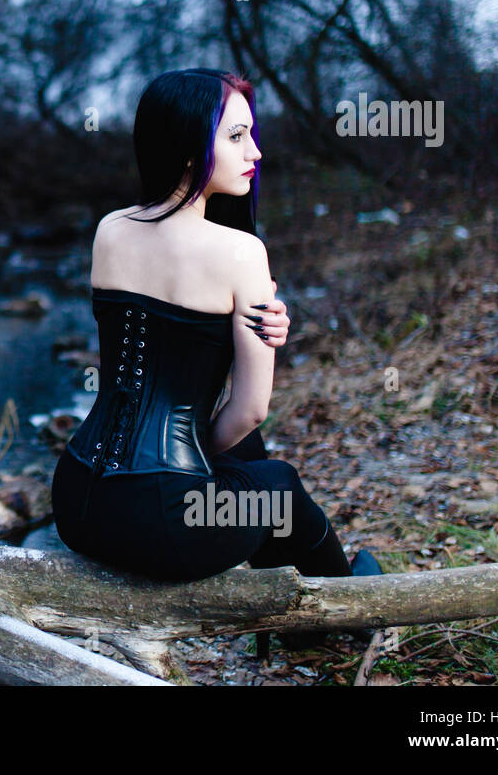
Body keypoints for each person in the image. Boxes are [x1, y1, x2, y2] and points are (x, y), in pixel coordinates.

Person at [51, 68, 381, 658]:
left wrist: (250, 328)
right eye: (235, 137)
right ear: (184, 145)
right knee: (278, 485)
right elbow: (251, 409)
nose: (254, 151)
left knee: (249, 460)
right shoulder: (241, 254)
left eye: (251, 135)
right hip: (161, 526)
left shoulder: (110, 229)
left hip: (78, 499)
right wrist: (255, 328)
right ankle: (344, 610)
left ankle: (302, 604)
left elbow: (152, 347)